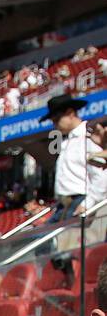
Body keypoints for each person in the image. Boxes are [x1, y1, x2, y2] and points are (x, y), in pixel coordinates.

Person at [46, 93, 107, 221]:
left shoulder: (89, 135)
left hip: (80, 200)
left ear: (70, 113)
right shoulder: (65, 141)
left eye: (57, 120)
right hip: (64, 204)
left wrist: (87, 204)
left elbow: (101, 175)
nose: (55, 125)